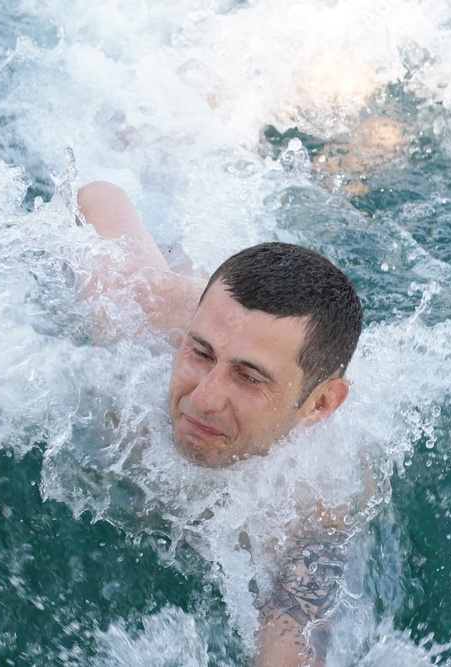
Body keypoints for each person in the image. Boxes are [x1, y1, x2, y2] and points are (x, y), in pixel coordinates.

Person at [75, 180, 363, 666]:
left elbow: (292, 632)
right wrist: (172, 296)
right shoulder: (140, 314)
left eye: (249, 378)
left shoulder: (313, 502)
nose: (202, 399)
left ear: (321, 406)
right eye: (200, 353)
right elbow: (96, 195)